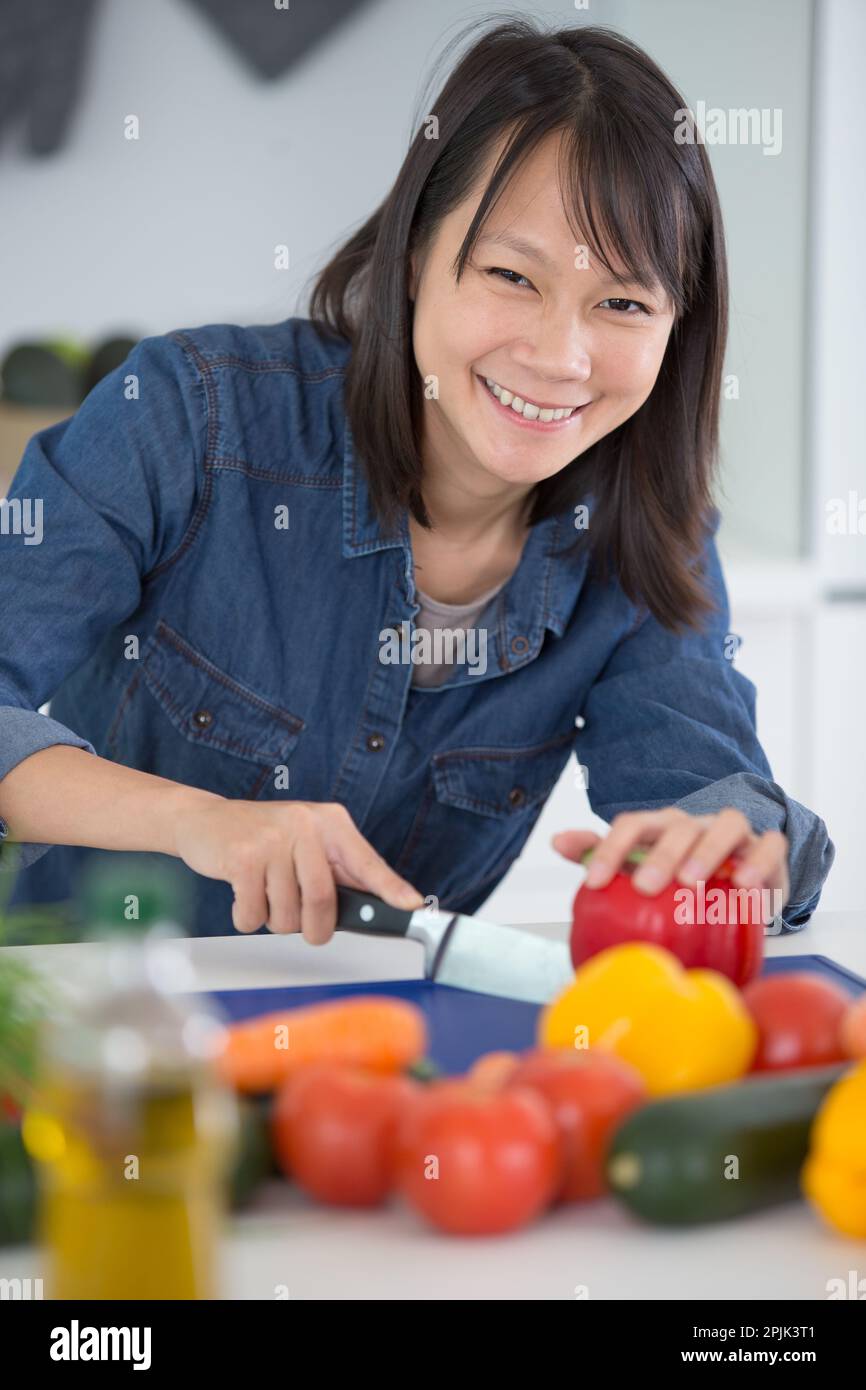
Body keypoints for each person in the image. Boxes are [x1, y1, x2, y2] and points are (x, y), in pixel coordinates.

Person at [0, 19, 833, 943]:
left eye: (624, 303)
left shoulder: (644, 532)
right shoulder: (186, 415)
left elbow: (712, 807)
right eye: (514, 276)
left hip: (380, 1057)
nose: (561, 357)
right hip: (78, 1033)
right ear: (411, 261)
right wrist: (205, 823)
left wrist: (740, 860)